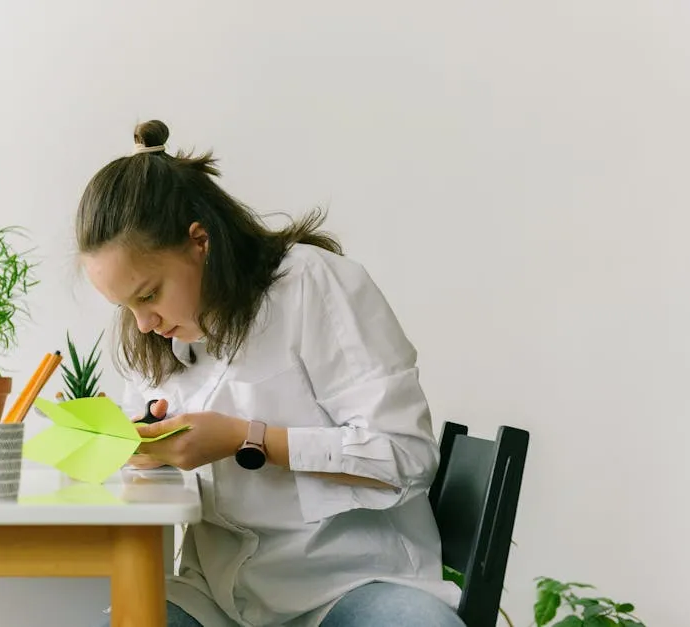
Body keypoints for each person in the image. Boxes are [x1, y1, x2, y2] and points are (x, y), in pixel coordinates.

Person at [80, 120, 464, 627]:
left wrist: (246, 438)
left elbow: (406, 456)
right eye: (125, 306)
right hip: (219, 595)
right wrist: (150, 452)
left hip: (351, 585)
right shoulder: (161, 340)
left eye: (148, 294)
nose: (144, 324)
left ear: (201, 242)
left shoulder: (314, 285)